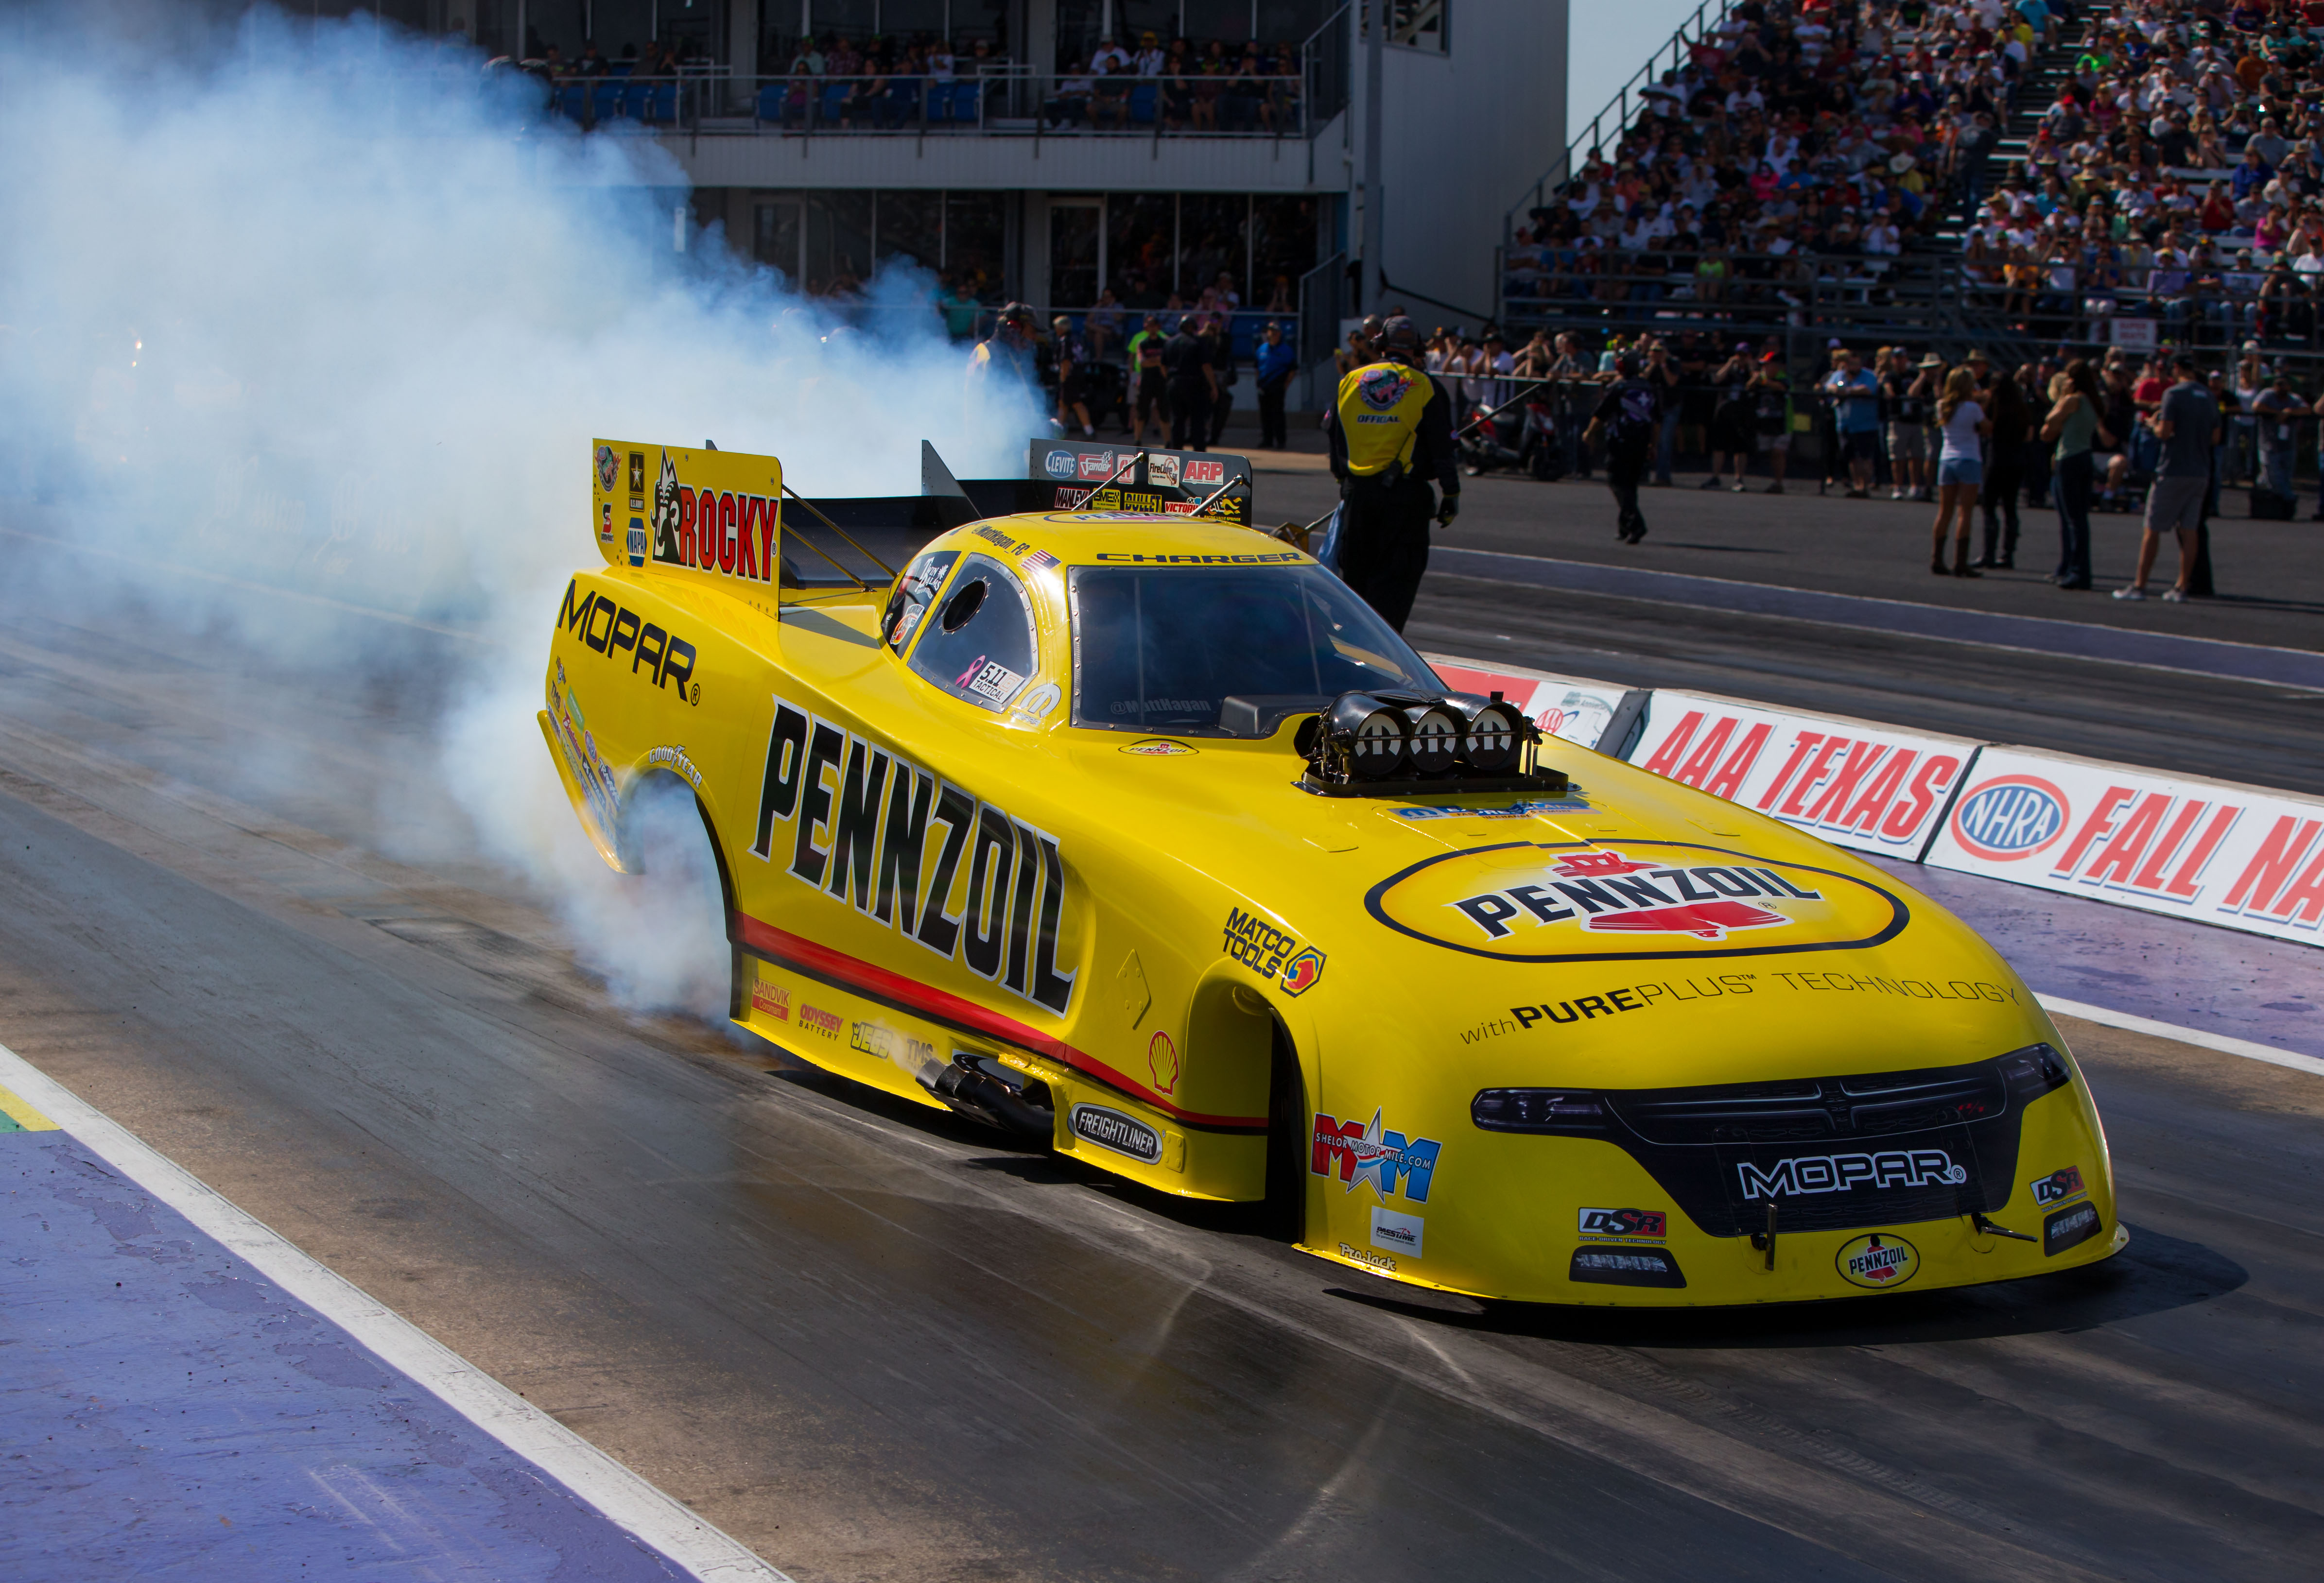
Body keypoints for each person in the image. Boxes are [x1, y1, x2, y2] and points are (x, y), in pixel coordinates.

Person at [1324, 317, 1459, 632]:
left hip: (1357, 497)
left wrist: (1344, 484)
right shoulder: (1424, 384)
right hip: (1405, 500)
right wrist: (1451, 494)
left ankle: (1354, 648)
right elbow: (1442, 448)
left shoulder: (1350, 380)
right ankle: (1382, 653)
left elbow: (1333, 434)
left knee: (1356, 584)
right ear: (1418, 349)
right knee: (1396, 586)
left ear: (1381, 345)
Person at [2116, 353, 2220, 603]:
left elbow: (2165, 432)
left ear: (2177, 369)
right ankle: (2182, 586)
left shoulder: (2173, 394)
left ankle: (2140, 585)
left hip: (2173, 469)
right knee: (2189, 529)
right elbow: (2215, 437)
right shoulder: (2209, 396)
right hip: (2200, 470)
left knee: (2152, 528)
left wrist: (2154, 425)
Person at [2042, 360, 2112, 591]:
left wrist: (2063, 395)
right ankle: (2077, 567)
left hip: (2069, 458)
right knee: (2079, 517)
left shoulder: (2073, 400)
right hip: (2084, 456)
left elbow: (2051, 419)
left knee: (2071, 518)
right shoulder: (2092, 401)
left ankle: (2076, 570)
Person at [1584, 353, 1662, 545]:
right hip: (1642, 441)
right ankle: (1624, 526)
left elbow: (1601, 414)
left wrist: (1589, 433)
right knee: (1630, 484)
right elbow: (1657, 421)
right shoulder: (1649, 388)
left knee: (1617, 481)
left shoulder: (1619, 388)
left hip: (1621, 441)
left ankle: (1636, 524)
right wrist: (1653, 444)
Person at [1931, 368, 1991, 578]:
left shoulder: (1942, 406)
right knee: (1965, 512)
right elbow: (1986, 428)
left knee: (1944, 512)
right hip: (1969, 458)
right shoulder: (1973, 408)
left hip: (1947, 459)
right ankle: (1960, 562)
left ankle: (1937, 558)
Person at [1977, 365, 2033, 570]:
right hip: (2016, 459)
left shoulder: (1994, 407)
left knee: (1989, 506)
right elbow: (2029, 436)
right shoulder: (2022, 408)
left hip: (1997, 458)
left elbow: (1984, 429)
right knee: (2010, 508)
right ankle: (2008, 554)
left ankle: (1989, 553)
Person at [1822, 348, 1883, 497]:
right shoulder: (1839, 375)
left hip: (1866, 425)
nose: (1854, 367)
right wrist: (1836, 389)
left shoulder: (1869, 375)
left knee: (1865, 458)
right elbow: (1828, 386)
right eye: (1851, 364)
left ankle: (1865, 487)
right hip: (1845, 425)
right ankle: (1857, 486)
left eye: (1857, 364)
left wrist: (1848, 391)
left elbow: (1867, 390)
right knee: (1852, 458)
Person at [965, 302, 1041, 416]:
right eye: (1032, 332)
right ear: (1014, 329)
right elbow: (981, 403)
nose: (1034, 338)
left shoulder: (1008, 355)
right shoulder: (992, 355)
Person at [2250, 370, 2307, 501]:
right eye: (2279, 385)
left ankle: (2282, 503)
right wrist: (2278, 413)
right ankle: (2286, 499)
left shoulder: (2293, 399)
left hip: (2288, 445)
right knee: (2272, 476)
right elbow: (2256, 407)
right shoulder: (2267, 395)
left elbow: (2307, 409)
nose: (2282, 388)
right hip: (2268, 445)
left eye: (2284, 385)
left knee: (2285, 477)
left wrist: (2289, 412)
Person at [1162, 314, 1216, 451]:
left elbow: (1163, 366)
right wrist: (1213, 386)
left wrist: (1170, 379)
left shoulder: (1170, 343)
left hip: (1174, 384)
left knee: (1177, 419)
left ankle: (1176, 451)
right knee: (1197, 420)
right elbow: (1206, 366)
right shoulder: (1198, 342)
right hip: (1194, 385)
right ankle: (1199, 453)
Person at [1750, 346, 1792, 495]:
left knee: (1778, 452)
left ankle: (1779, 483)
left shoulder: (1783, 377)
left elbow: (1780, 387)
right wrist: (1754, 379)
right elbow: (1748, 388)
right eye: (1764, 365)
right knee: (1768, 453)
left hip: (1783, 423)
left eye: (1768, 365)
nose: (1765, 368)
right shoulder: (1761, 378)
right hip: (1765, 422)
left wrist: (1762, 381)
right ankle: (1773, 482)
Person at [1254, 320, 1296, 449]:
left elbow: (1292, 370)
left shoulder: (1287, 350)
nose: (1272, 334)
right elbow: (1257, 368)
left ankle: (1281, 441)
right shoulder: (1261, 349)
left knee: (1278, 414)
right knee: (1265, 414)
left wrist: (1286, 385)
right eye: (1270, 331)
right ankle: (1267, 440)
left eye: (1275, 332)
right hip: (1264, 387)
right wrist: (1258, 383)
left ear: (1280, 334)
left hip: (1278, 387)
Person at [1050, 315, 1094, 437]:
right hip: (1077, 375)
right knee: (1063, 403)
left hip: (1070, 377)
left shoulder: (1066, 341)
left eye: (1057, 327)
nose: (1056, 330)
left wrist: (1063, 378)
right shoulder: (1076, 339)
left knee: (1076, 404)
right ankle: (1059, 431)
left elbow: (1066, 361)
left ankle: (1090, 432)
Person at [1128, 313, 1168, 445]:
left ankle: (1168, 442)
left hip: (1161, 381)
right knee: (1141, 412)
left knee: (1163, 412)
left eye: (1154, 326)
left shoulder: (1165, 342)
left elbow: (1166, 361)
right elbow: (1142, 362)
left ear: (1158, 327)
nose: (1151, 328)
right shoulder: (1142, 343)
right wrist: (1158, 361)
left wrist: (1153, 361)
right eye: (1149, 326)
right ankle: (1137, 440)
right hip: (1145, 380)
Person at [1204, 315, 1239, 447]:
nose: (1214, 324)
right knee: (1203, 408)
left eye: (1217, 321)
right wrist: (1207, 333)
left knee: (1221, 407)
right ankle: (1199, 434)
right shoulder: (1204, 337)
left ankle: (1215, 436)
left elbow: (1224, 350)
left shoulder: (1226, 337)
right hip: (1205, 376)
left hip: (1220, 376)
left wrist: (1217, 333)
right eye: (1212, 321)